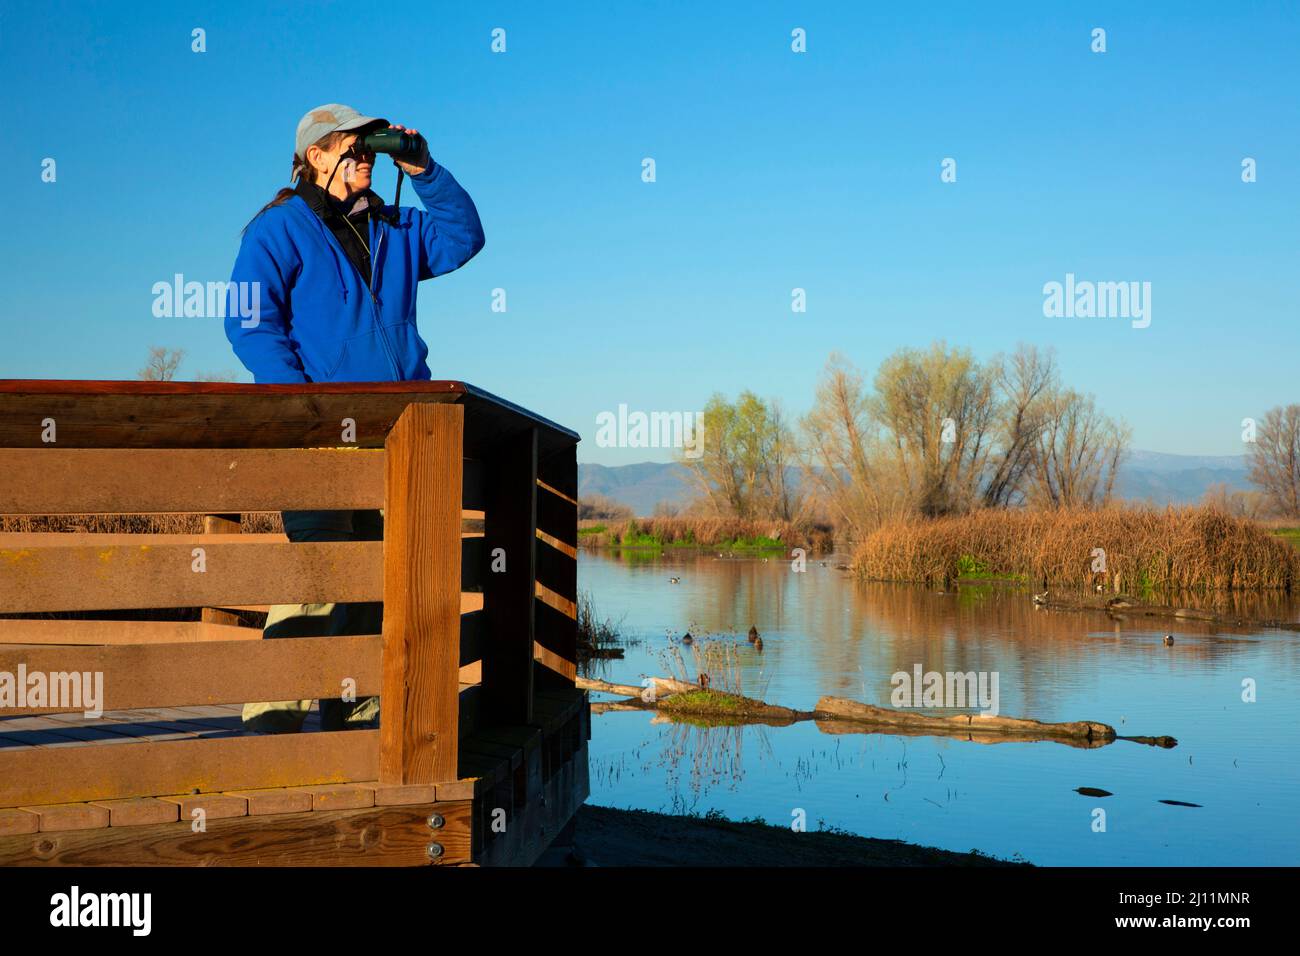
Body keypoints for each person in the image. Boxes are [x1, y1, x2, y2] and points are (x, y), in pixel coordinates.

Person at [225, 104, 484, 733]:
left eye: (372, 147)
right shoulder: (277, 229)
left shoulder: (395, 227)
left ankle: (355, 703)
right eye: (353, 146)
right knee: (315, 572)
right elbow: (248, 321)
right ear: (315, 155)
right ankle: (273, 718)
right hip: (317, 433)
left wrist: (423, 168)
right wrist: (302, 405)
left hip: (396, 431)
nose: (366, 156)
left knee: (381, 570)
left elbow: (463, 238)